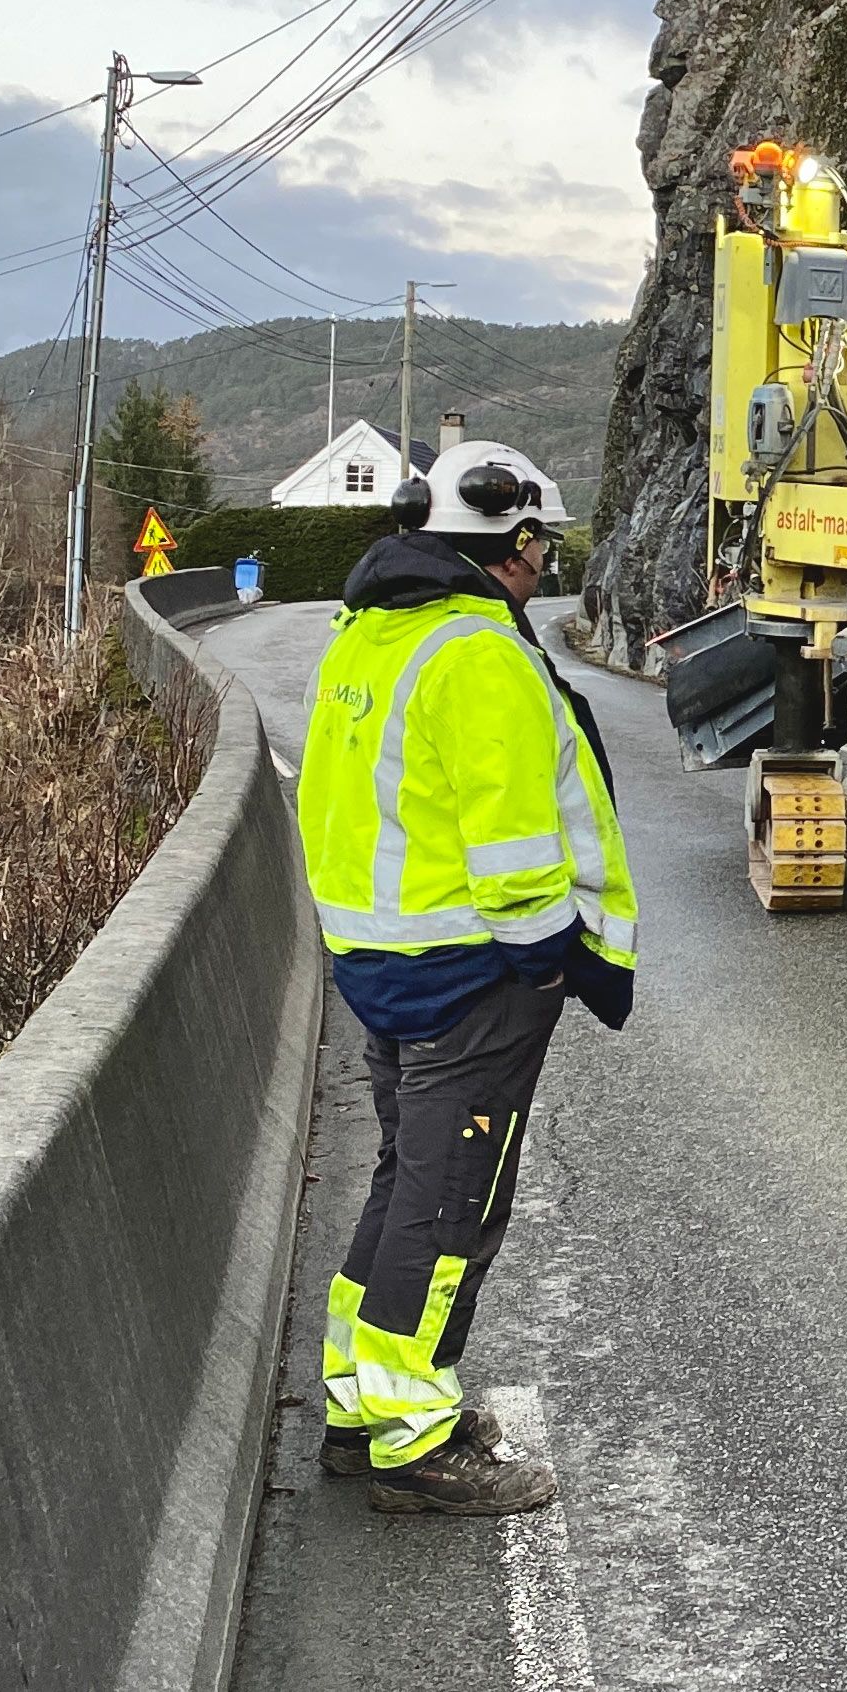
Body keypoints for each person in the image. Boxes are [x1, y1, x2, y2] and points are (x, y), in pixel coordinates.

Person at [293, 441, 638, 1513]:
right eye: (542, 544)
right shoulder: (477, 655)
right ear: (516, 542)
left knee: (406, 1182)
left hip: (383, 964)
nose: (545, 563)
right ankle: (414, 1441)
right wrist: (545, 969)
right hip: (468, 975)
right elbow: (515, 851)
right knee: (451, 1207)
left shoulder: (366, 635)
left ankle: (361, 1410)